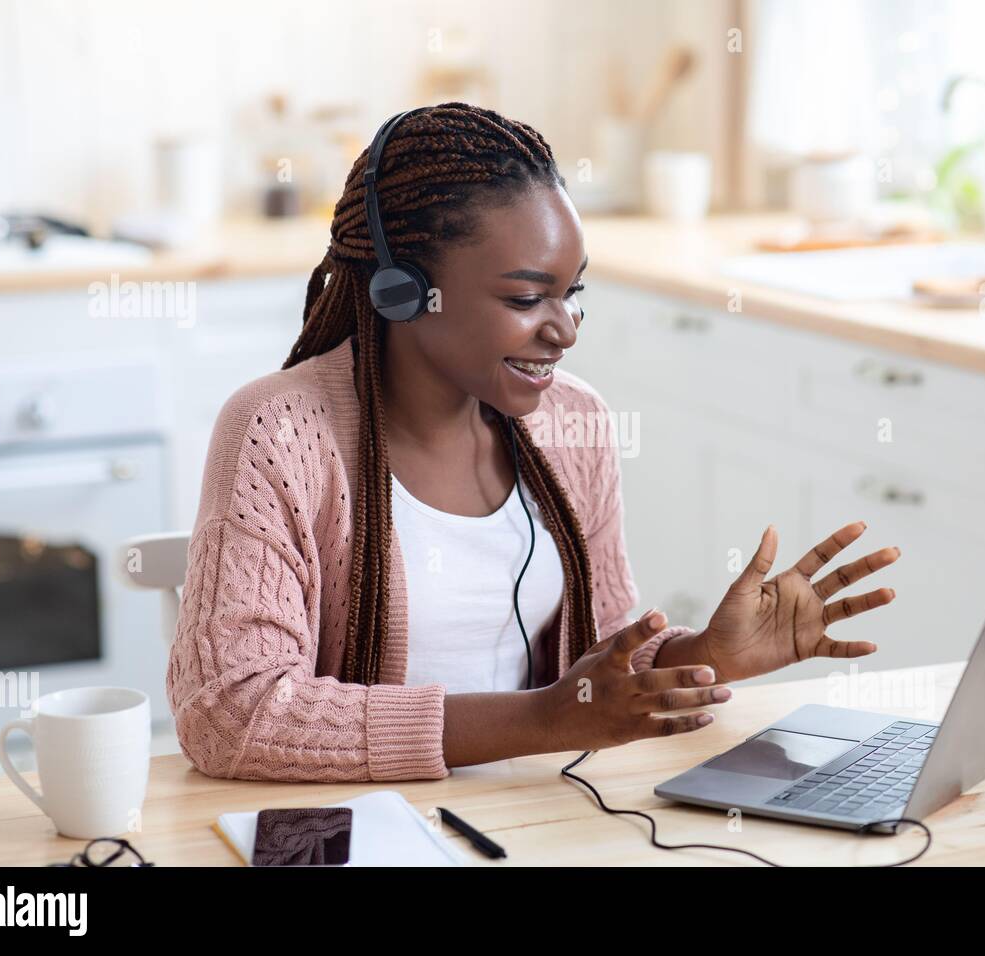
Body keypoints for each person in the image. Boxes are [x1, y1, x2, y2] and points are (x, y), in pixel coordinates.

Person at [166, 102, 899, 782]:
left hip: (536, 812)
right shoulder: (279, 431)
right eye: (525, 299)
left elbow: (603, 656)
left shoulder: (573, 422)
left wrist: (705, 656)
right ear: (402, 291)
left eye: (573, 292)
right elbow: (233, 713)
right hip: (362, 826)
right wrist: (544, 718)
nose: (566, 329)